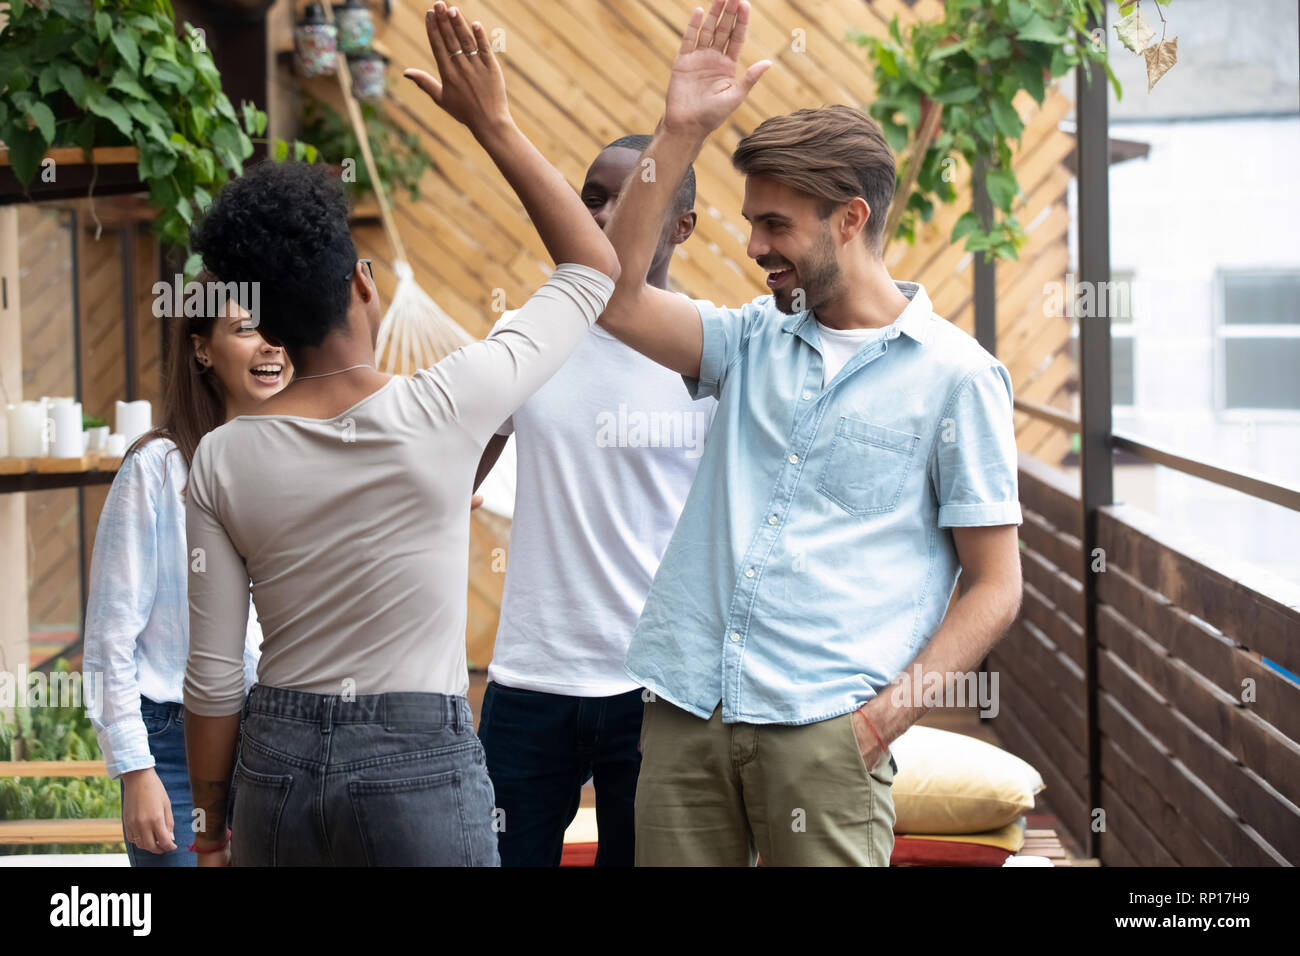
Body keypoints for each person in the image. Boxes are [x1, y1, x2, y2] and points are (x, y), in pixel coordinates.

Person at [180, 1, 619, 866]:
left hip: (275, 770)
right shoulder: (448, 402)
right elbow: (591, 268)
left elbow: (215, 675)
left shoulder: (222, 459)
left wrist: (210, 824)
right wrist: (493, 123)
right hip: (415, 763)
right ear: (363, 287)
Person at [596, 0, 1024, 866]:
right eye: (753, 221)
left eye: (775, 224)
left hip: (826, 736)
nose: (754, 245)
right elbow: (616, 293)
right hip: (687, 713)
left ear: (850, 219)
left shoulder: (957, 377)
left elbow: (995, 585)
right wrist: (678, 130)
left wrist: (879, 722)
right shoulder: (748, 339)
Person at [471, 135, 712, 866]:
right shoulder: (526, 339)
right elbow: (450, 480)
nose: (606, 213)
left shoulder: (712, 352)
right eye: (593, 198)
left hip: (658, 692)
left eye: (632, 198)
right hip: (530, 678)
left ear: (682, 226)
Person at [82, 278, 291, 866]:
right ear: (202, 348)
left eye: (280, 329)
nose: (271, 345)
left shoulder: (306, 464)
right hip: (171, 746)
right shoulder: (155, 470)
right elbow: (107, 639)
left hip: (280, 741)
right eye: (248, 328)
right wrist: (136, 770)